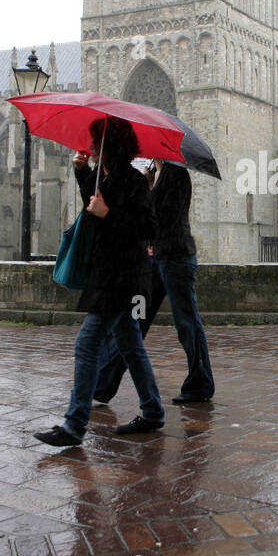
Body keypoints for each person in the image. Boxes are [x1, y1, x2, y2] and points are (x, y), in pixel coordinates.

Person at [33, 116, 165, 448]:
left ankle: (74, 425)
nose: (90, 146)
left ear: (110, 146)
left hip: (123, 279)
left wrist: (110, 214)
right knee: (131, 348)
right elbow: (93, 205)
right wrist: (80, 172)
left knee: (86, 344)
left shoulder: (133, 180)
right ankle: (152, 411)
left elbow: (148, 227)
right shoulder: (104, 176)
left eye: (95, 141)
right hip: (109, 275)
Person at [94, 159, 216, 405]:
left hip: (176, 259)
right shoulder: (156, 171)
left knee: (187, 322)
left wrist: (144, 192)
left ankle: (200, 384)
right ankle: (103, 383)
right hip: (156, 259)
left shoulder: (176, 174)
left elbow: (161, 217)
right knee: (133, 319)